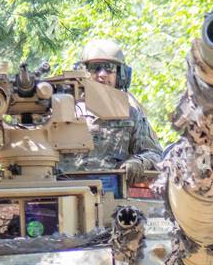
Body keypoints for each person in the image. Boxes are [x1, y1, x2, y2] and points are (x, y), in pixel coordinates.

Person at [61, 38, 163, 182]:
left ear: (121, 74)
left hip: (113, 194)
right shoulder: (65, 109)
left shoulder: (131, 113)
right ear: (84, 72)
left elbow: (155, 153)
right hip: (65, 190)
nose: (102, 74)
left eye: (109, 68)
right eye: (95, 68)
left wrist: (138, 162)